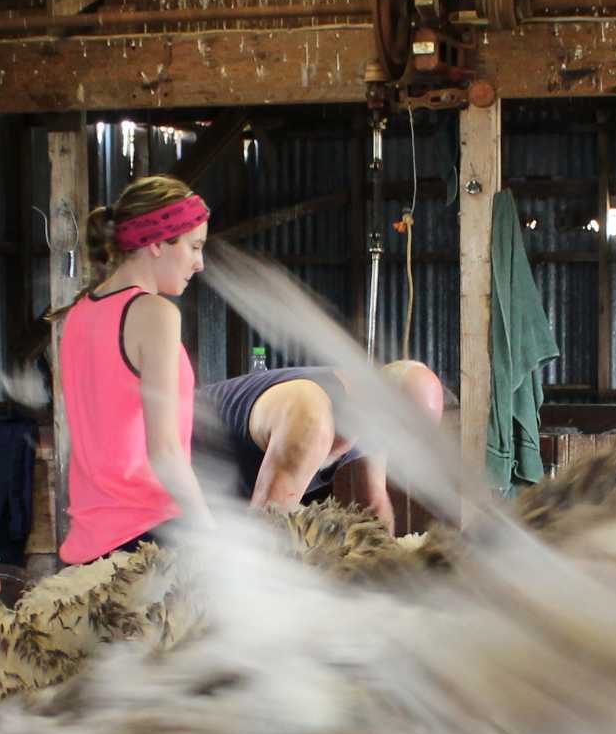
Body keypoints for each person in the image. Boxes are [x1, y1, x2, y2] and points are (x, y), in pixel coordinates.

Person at [56, 174, 211, 563]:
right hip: (146, 539)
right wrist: (212, 536)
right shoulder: (154, 313)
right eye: (194, 246)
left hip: (89, 542)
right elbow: (166, 451)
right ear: (157, 243)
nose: (199, 263)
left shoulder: (79, 313)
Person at [196, 358, 448, 524]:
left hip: (219, 495)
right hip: (182, 472)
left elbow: (373, 506)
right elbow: (264, 526)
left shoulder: (369, 414)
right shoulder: (312, 420)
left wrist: (388, 568)